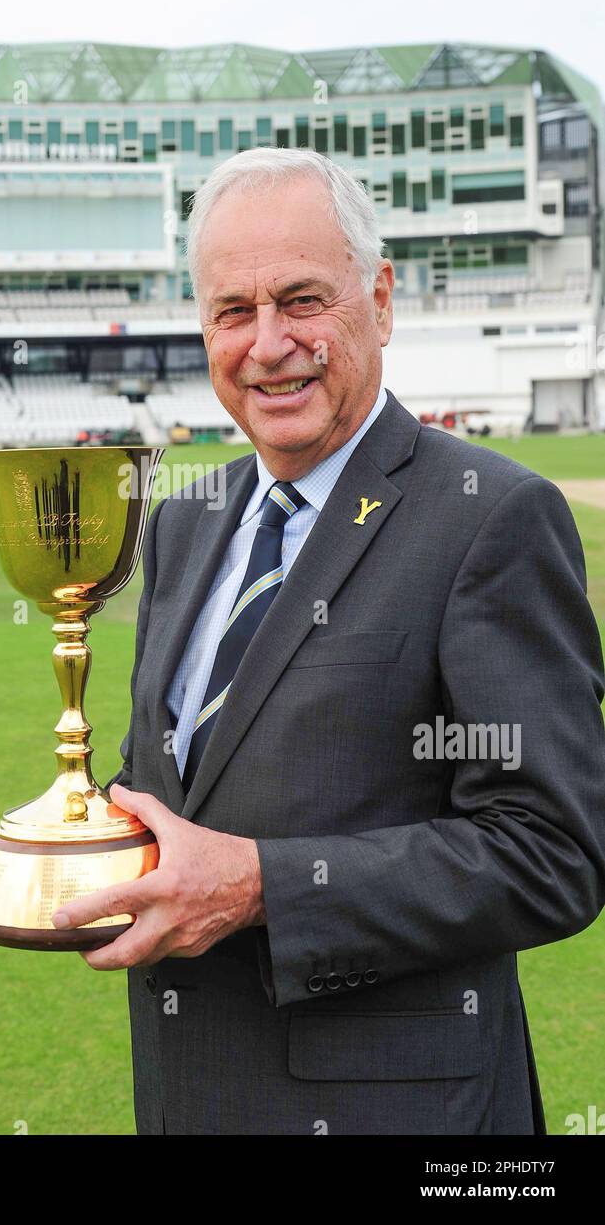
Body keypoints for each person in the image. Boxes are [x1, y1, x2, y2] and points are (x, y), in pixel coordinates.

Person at [51, 147, 605, 1135]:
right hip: (191, 1097)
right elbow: (177, 791)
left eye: (301, 299)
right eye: (233, 311)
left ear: (379, 300)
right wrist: (81, 847)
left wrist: (266, 886)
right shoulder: (185, 521)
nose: (268, 344)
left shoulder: (490, 517)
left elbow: (551, 851)